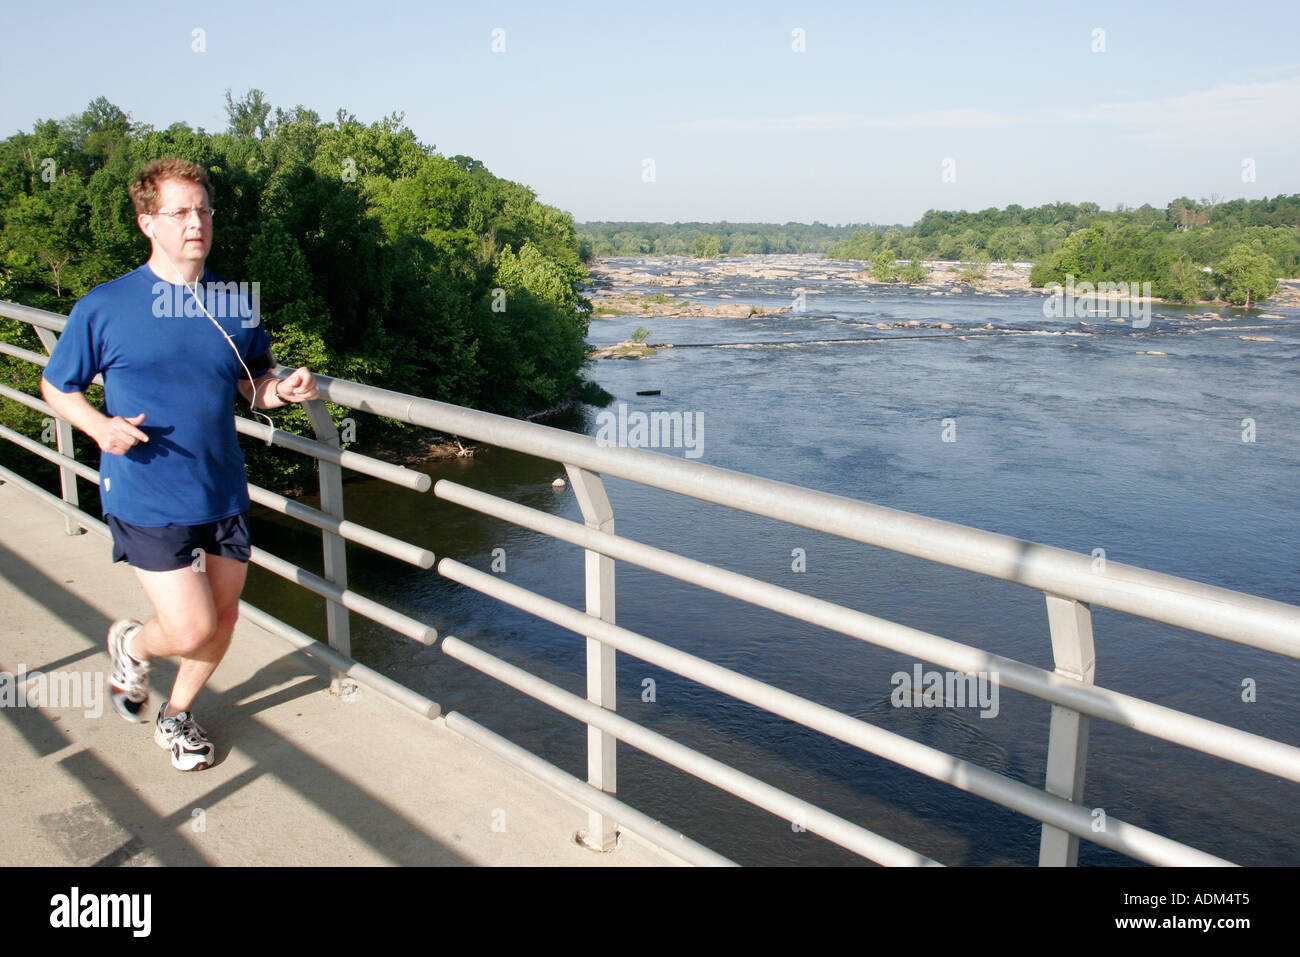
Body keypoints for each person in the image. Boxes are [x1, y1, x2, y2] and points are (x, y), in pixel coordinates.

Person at [40, 157, 318, 771]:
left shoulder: (233, 301)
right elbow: (56, 385)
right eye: (180, 212)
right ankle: (132, 644)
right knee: (189, 629)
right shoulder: (106, 306)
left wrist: (286, 388)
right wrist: (98, 425)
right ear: (148, 222)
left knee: (221, 621)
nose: (196, 223)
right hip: (146, 492)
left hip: (221, 488)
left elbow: (254, 386)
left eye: (203, 210)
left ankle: (176, 715)